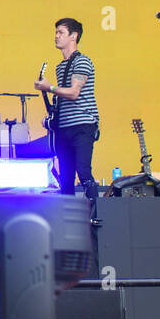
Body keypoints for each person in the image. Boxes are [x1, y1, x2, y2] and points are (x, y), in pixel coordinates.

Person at [33, 18, 99, 198]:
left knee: (83, 171)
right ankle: (68, 218)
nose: (56, 36)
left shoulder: (83, 61)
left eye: (60, 32)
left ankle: (97, 214)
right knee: (66, 178)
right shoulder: (60, 66)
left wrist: (50, 88)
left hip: (82, 125)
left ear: (74, 36)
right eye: (56, 32)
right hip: (64, 127)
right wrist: (50, 119)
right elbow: (62, 99)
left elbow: (73, 93)